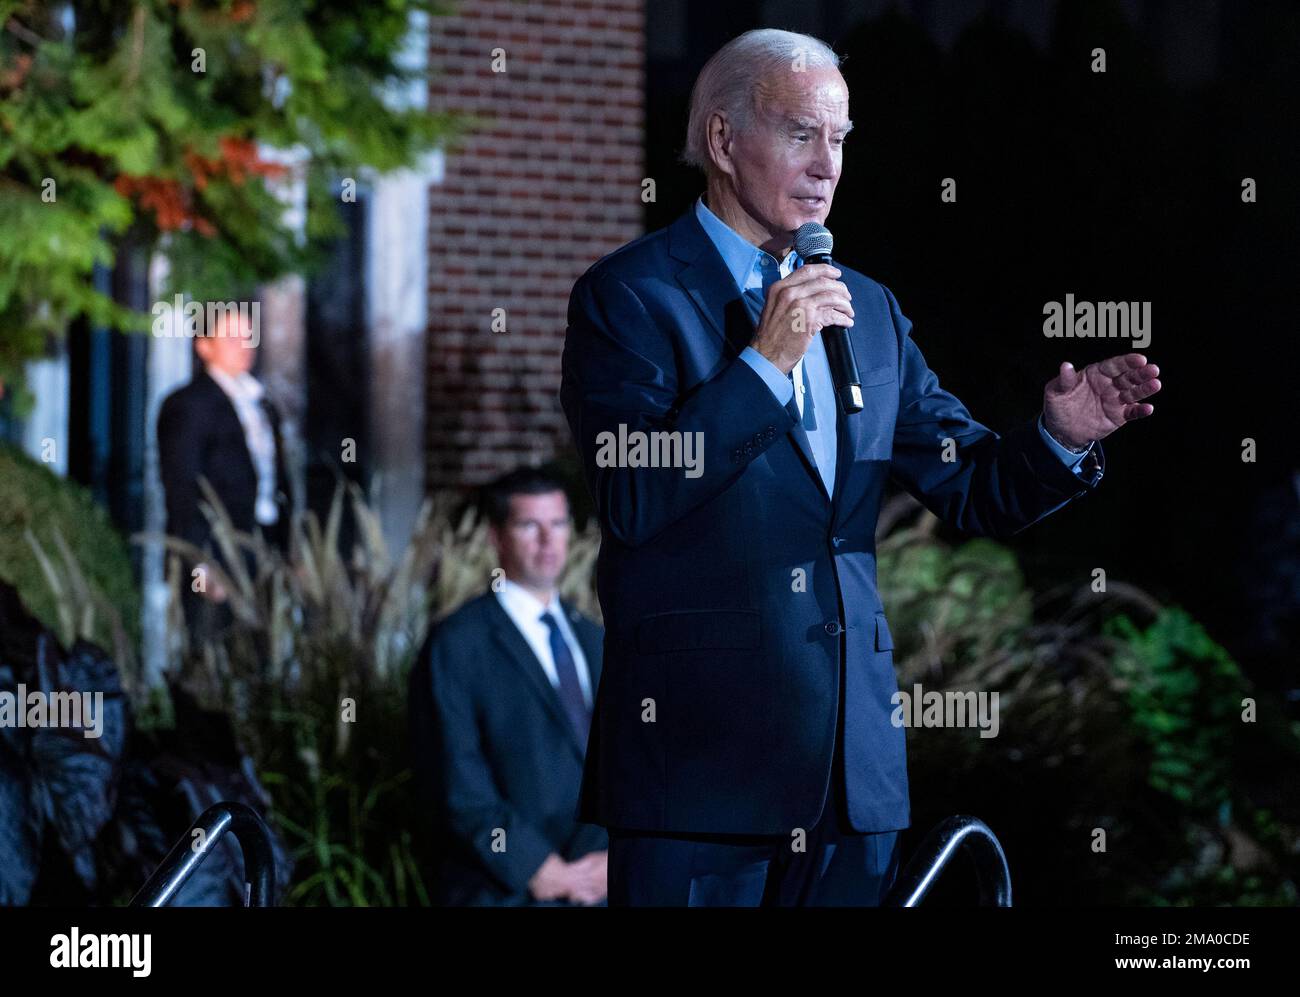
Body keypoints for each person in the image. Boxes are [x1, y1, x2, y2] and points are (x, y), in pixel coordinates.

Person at [560, 28, 1162, 906]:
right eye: (802, 132)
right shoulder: (630, 295)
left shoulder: (867, 307)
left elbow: (969, 484)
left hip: (852, 783)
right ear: (723, 142)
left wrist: (1059, 437)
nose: (827, 165)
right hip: (697, 782)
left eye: (840, 139)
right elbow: (632, 493)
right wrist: (764, 366)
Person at [412, 467, 608, 905]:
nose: (548, 540)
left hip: (603, 886)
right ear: (496, 537)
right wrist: (535, 866)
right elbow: (455, 777)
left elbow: (632, 758)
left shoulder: (596, 639)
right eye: (529, 525)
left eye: (558, 524)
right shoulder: (458, 643)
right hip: (505, 889)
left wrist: (616, 856)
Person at [157, 310, 292, 622]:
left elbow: (277, 480)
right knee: (214, 646)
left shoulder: (262, 402)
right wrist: (199, 565)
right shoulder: (188, 405)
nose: (244, 346)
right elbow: (181, 488)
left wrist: (287, 551)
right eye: (232, 338)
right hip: (216, 549)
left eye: (248, 337)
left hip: (262, 544)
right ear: (205, 346)